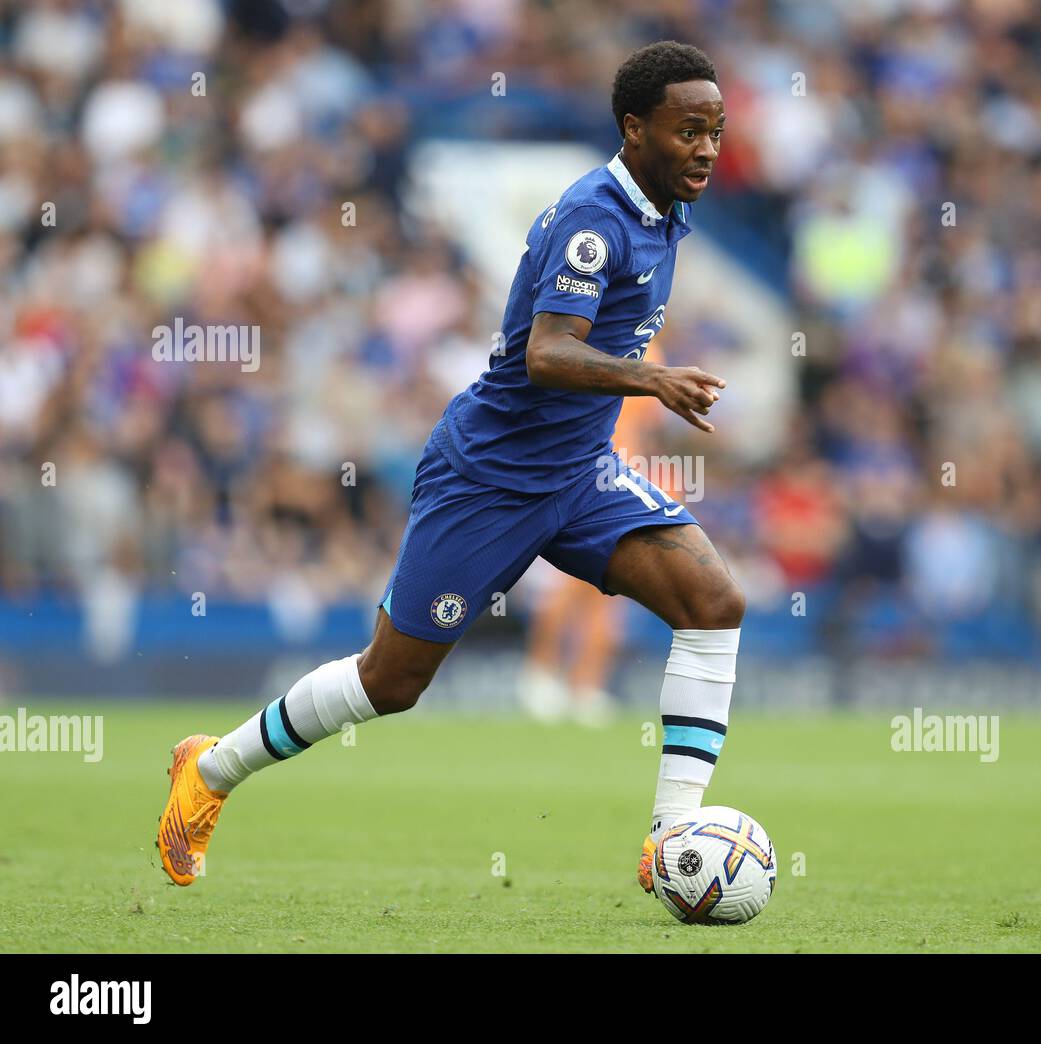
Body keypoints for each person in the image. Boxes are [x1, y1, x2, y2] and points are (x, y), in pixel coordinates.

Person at [158, 40, 743, 899]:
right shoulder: (595, 221)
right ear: (633, 128)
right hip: (491, 476)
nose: (705, 148)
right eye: (688, 130)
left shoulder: (666, 211)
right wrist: (653, 376)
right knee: (390, 682)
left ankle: (673, 840)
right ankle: (210, 770)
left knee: (714, 602)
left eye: (716, 131)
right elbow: (548, 354)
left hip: (578, 472)